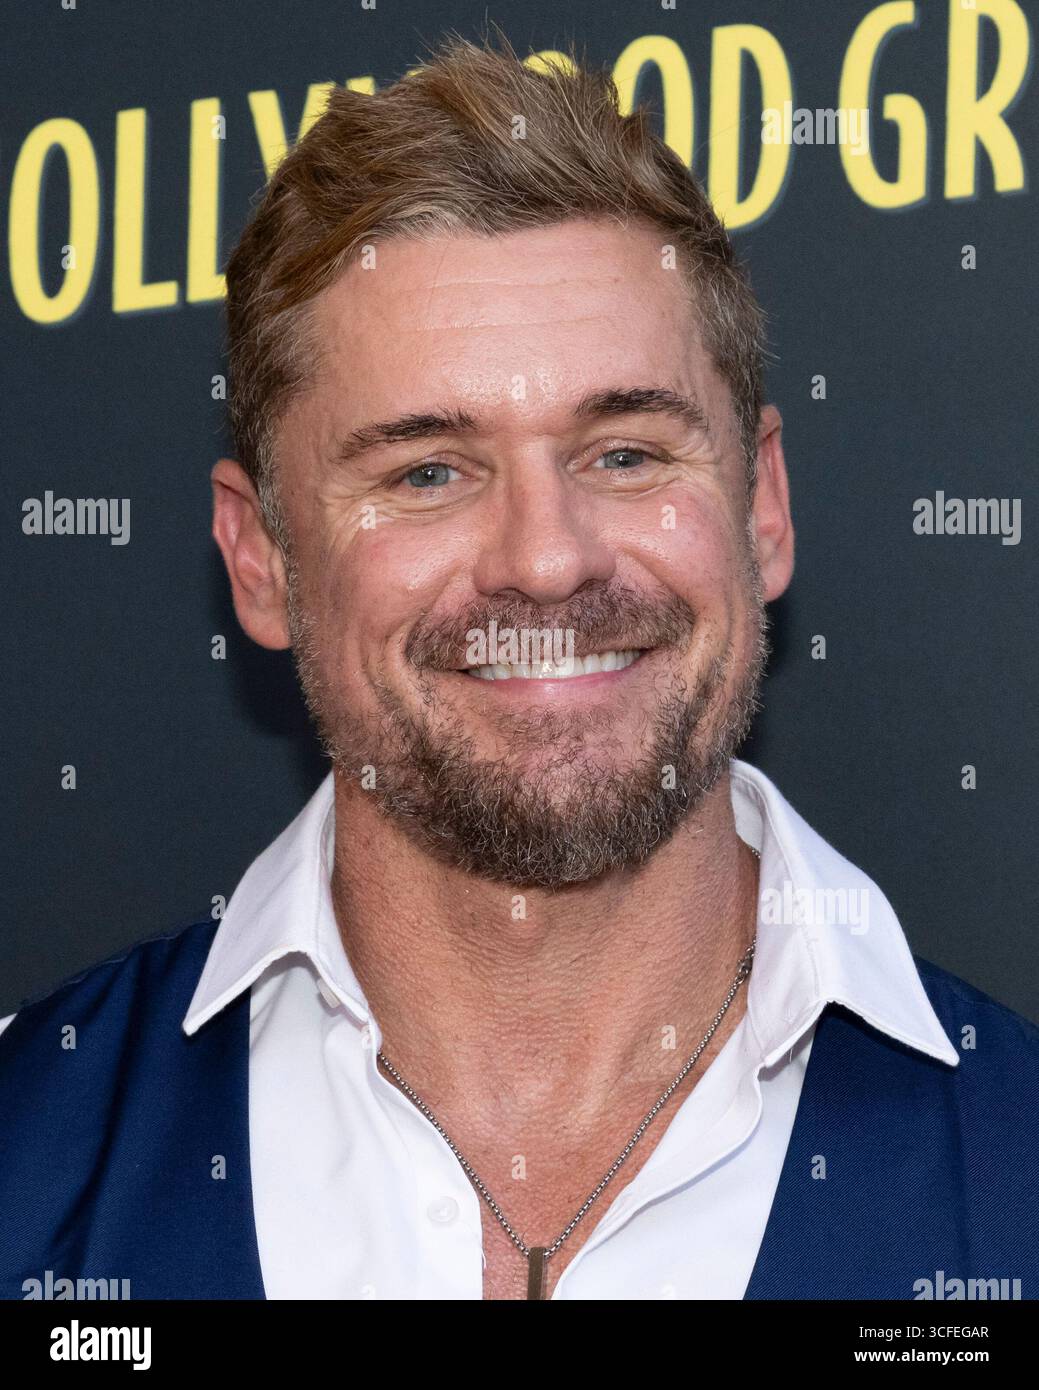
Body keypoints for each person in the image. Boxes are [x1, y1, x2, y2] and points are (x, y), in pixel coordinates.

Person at [2, 33, 1037, 1303]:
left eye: (626, 452)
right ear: (262, 559)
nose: (545, 562)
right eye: (427, 472)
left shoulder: (1016, 1166)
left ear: (762, 506)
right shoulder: (30, 1155)